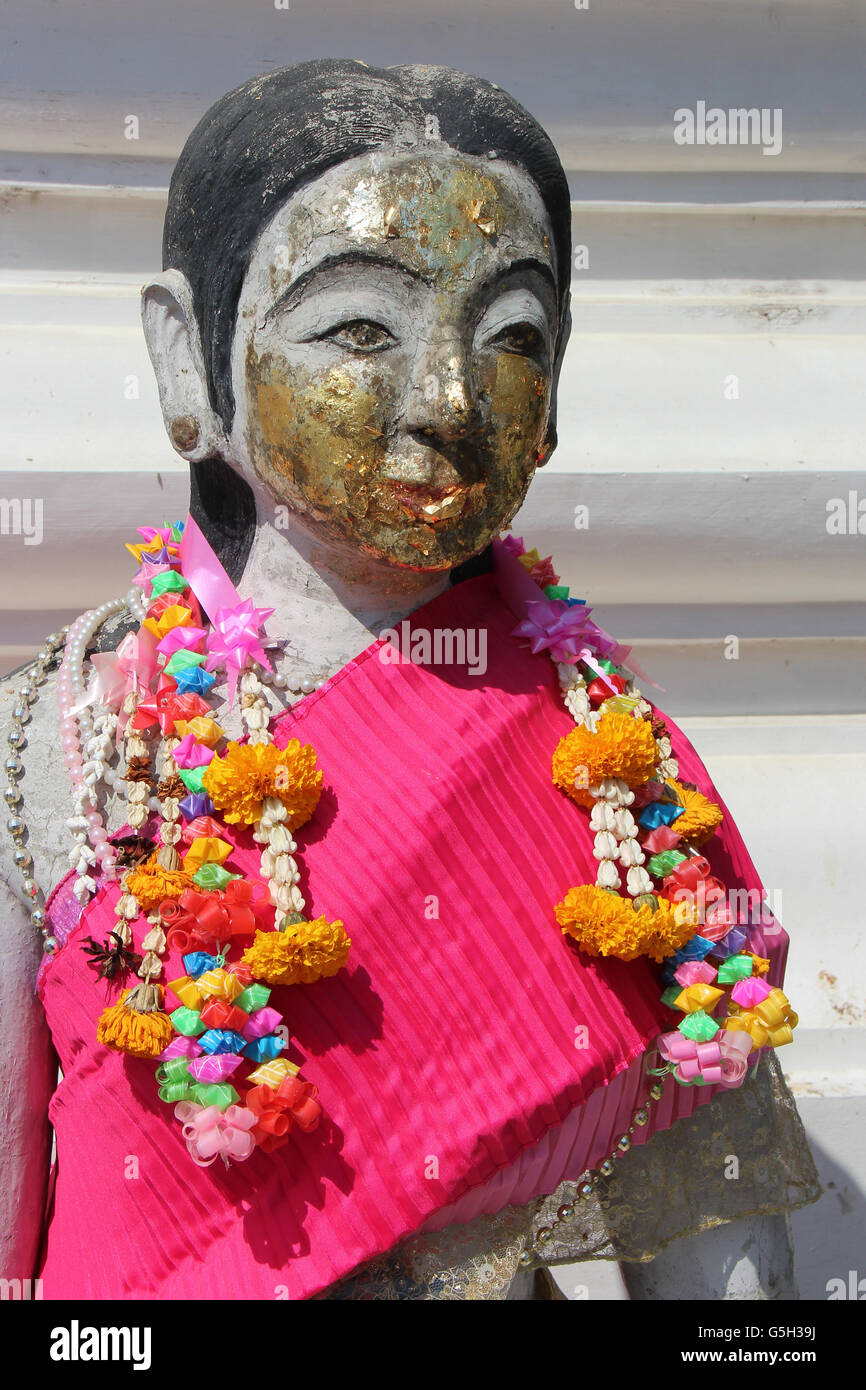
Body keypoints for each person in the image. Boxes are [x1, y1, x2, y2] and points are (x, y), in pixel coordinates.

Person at [0, 60, 819, 1301]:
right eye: (358, 328)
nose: (444, 403)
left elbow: (721, 1241)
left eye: (510, 338)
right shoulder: (67, 742)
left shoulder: (612, 758)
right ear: (185, 360)